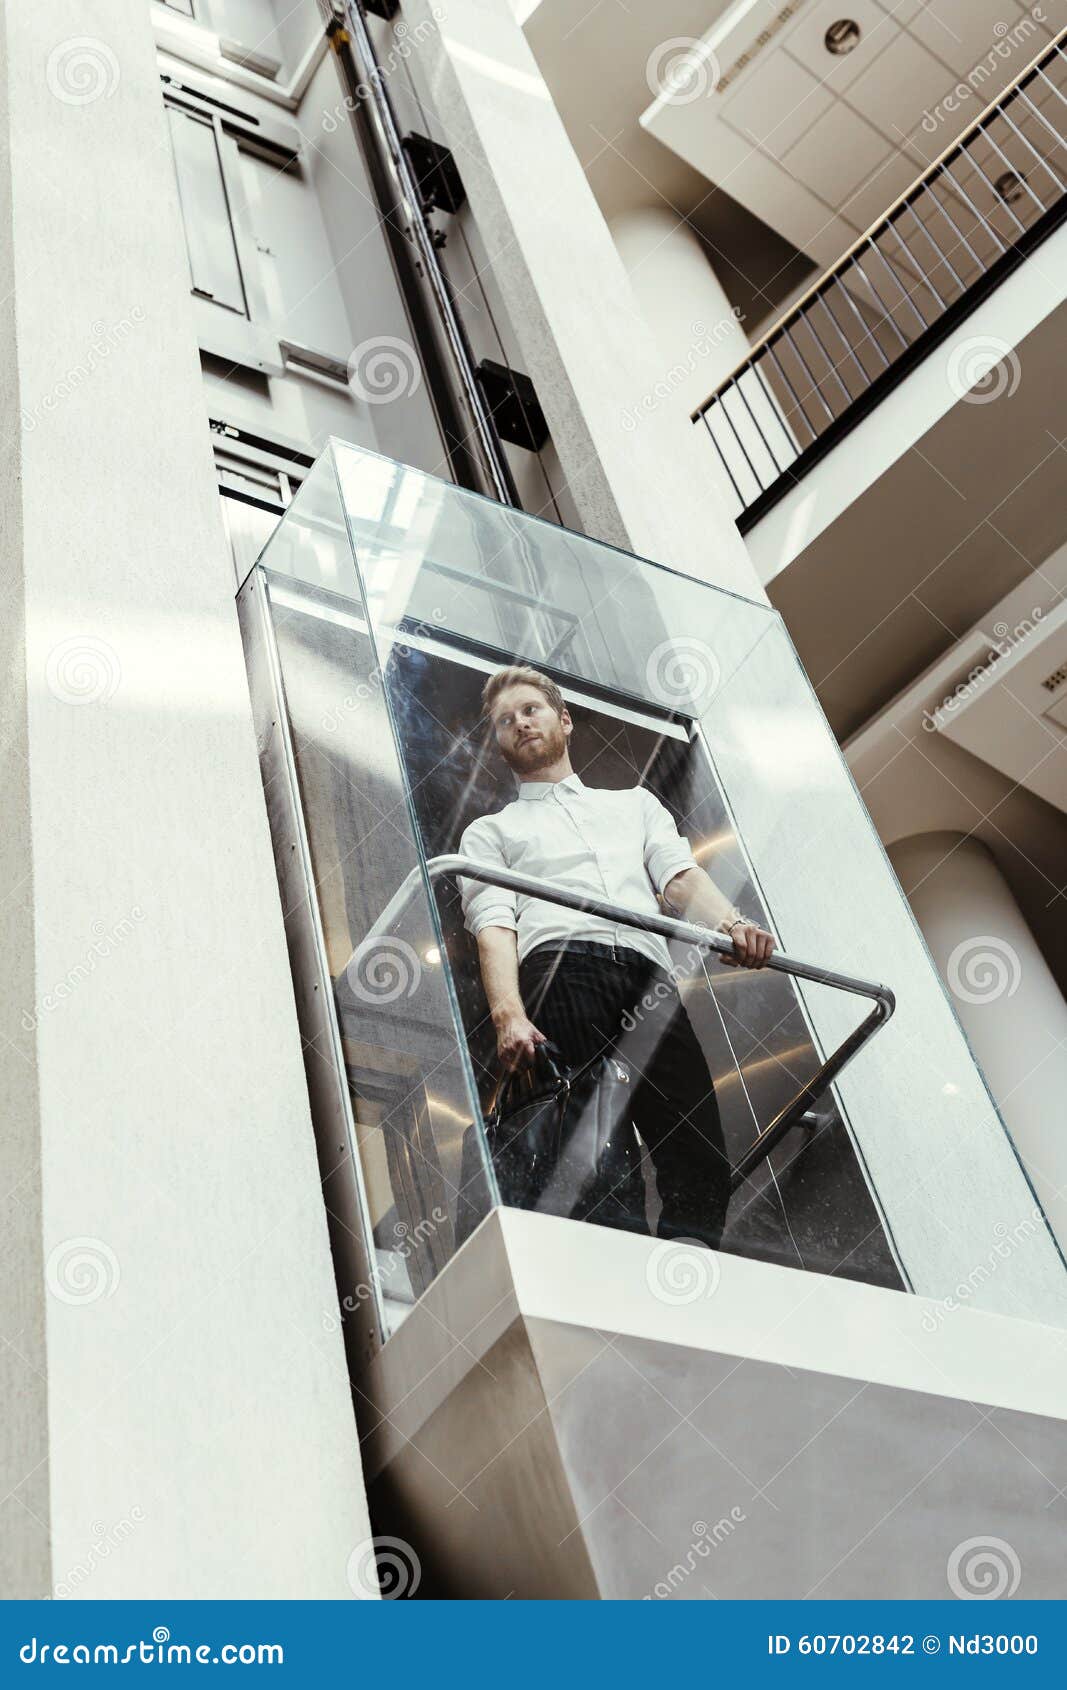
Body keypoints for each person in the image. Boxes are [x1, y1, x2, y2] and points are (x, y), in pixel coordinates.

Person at [457, 664, 776, 1248]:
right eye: (505, 720)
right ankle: (610, 1254)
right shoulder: (490, 831)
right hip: (560, 966)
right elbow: (494, 926)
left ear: (564, 719)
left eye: (531, 709)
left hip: (647, 972)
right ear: (500, 744)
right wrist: (508, 1014)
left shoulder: (634, 805)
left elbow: (679, 878)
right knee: (589, 1129)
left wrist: (733, 924)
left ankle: (691, 1257)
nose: (519, 723)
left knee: (692, 1128)